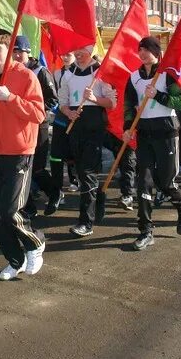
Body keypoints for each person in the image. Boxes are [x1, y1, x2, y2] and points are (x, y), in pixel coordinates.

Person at [0, 28, 47, 281]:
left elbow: (38, 114)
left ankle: (35, 244)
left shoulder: (26, 77)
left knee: (10, 211)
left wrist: (11, 98)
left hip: (20, 152)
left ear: (10, 50)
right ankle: (15, 259)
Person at [122, 36, 181, 250]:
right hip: (144, 134)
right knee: (143, 182)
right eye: (140, 50)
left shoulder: (166, 75)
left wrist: (159, 95)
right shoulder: (134, 78)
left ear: (156, 52)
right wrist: (127, 128)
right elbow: (128, 105)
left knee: (165, 183)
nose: (143, 53)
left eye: (147, 49)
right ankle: (145, 231)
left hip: (167, 133)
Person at [59, 44, 117, 237]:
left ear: (91, 49)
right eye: (76, 51)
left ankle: (86, 222)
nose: (78, 54)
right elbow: (62, 102)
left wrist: (94, 98)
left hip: (94, 128)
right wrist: (68, 112)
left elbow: (112, 102)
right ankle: (98, 198)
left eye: (82, 50)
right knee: (81, 172)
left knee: (87, 172)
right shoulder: (68, 73)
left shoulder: (100, 72)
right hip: (76, 126)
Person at [11, 36, 62, 217]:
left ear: (28, 52)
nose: (17, 56)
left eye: (20, 52)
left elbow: (53, 99)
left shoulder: (41, 71)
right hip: (18, 126)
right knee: (22, 168)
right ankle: (29, 208)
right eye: (14, 52)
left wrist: (35, 111)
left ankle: (55, 193)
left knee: (37, 168)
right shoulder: (12, 72)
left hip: (37, 125)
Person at [50, 51, 80, 196]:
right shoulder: (57, 73)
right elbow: (55, 94)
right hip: (61, 117)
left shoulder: (80, 72)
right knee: (56, 153)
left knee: (72, 151)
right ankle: (57, 188)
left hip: (76, 118)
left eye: (69, 54)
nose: (65, 57)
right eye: (63, 54)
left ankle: (74, 179)